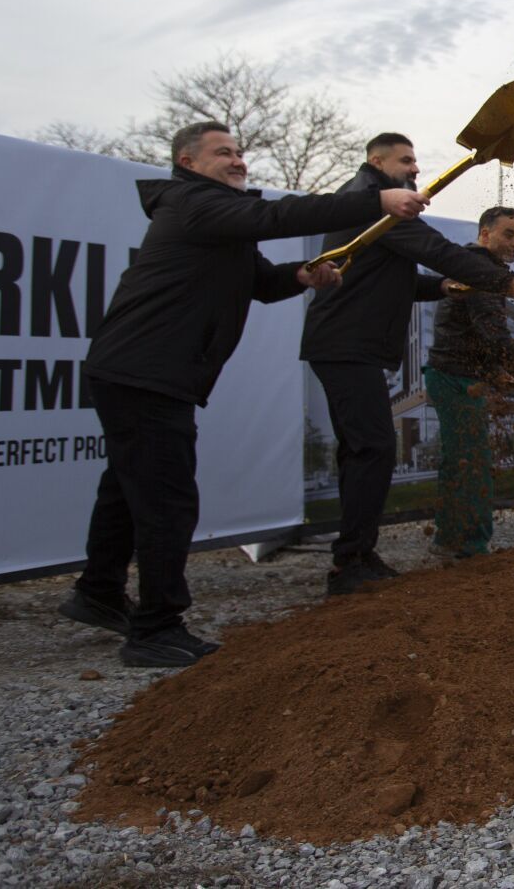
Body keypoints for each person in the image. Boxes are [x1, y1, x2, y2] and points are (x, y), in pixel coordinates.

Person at [63, 121, 427, 666]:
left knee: (126, 486)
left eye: (239, 152)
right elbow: (276, 216)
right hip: (144, 370)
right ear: (187, 163)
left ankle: (98, 591)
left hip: (140, 370)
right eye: (222, 153)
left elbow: (258, 279)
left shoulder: (214, 215)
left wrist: (302, 276)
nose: (237, 161)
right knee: (166, 500)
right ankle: (155, 629)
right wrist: (375, 200)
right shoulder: (192, 203)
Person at [301, 133, 514, 597]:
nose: (414, 168)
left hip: (349, 344)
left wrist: (441, 288)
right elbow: (436, 249)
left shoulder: (368, 208)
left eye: (416, 161)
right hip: (345, 344)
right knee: (371, 449)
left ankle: (358, 554)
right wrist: (508, 283)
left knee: (363, 450)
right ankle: (351, 561)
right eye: (405, 160)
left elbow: (395, 276)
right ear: (377, 161)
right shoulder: (371, 205)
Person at [422, 206, 514, 559]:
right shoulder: (480, 273)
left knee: (461, 460)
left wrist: (497, 373)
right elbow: (496, 337)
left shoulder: (489, 273)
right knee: (472, 462)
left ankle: (451, 539)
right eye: (507, 234)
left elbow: (483, 338)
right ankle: (470, 547)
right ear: (485, 234)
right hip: (455, 379)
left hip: (460, 375)